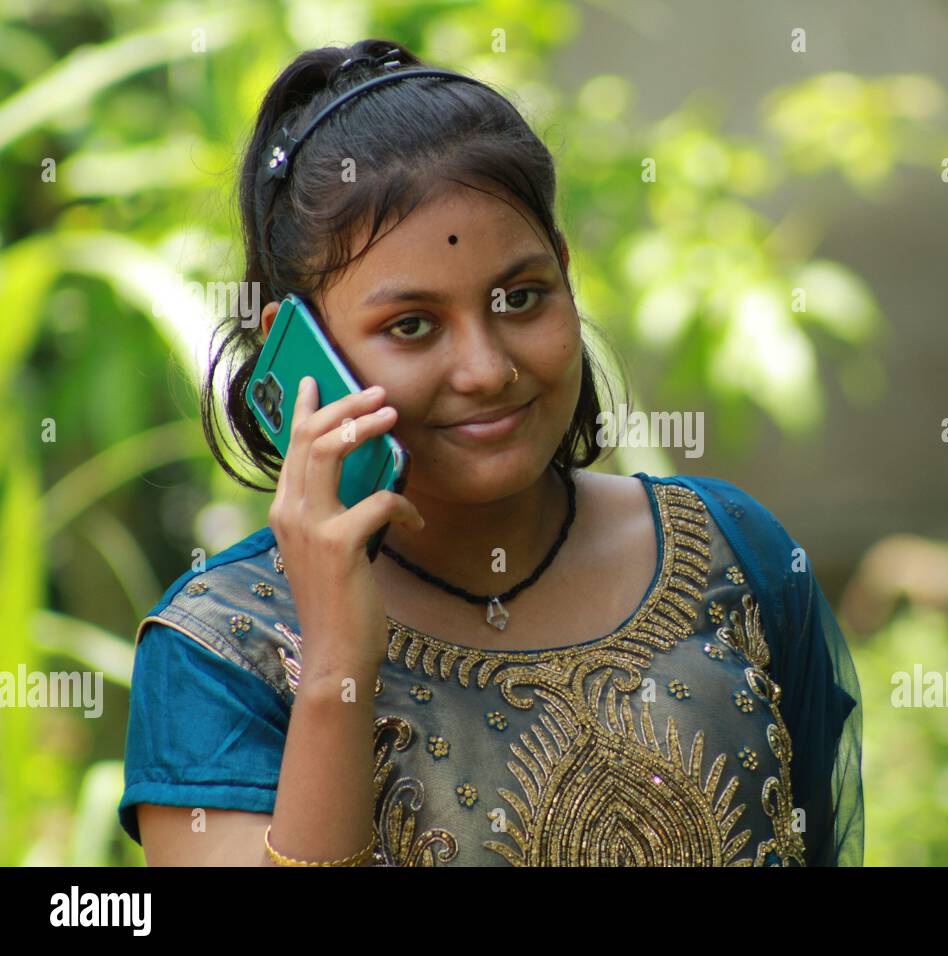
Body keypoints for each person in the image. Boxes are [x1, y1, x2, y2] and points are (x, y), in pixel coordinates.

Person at [116, 38, 864, 867]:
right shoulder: (221, 651)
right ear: (300, 354)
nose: (487, 368)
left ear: (568, 277)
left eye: (521, 297)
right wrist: (334, 668)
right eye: (412, 325)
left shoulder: (736, 559)